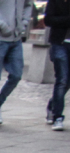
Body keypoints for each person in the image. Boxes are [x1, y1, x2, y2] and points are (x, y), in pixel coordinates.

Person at [0, 0, 34, 127]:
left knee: (16, 75)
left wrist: (24, 22)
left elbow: (28, 5)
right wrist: (1, 25)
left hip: (16, 39)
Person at [46, 0, 70, 129]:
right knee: (62, 80)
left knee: (67, 82)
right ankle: (57, 117)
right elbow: (48, 20)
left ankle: (52, 106)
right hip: (59, 43)